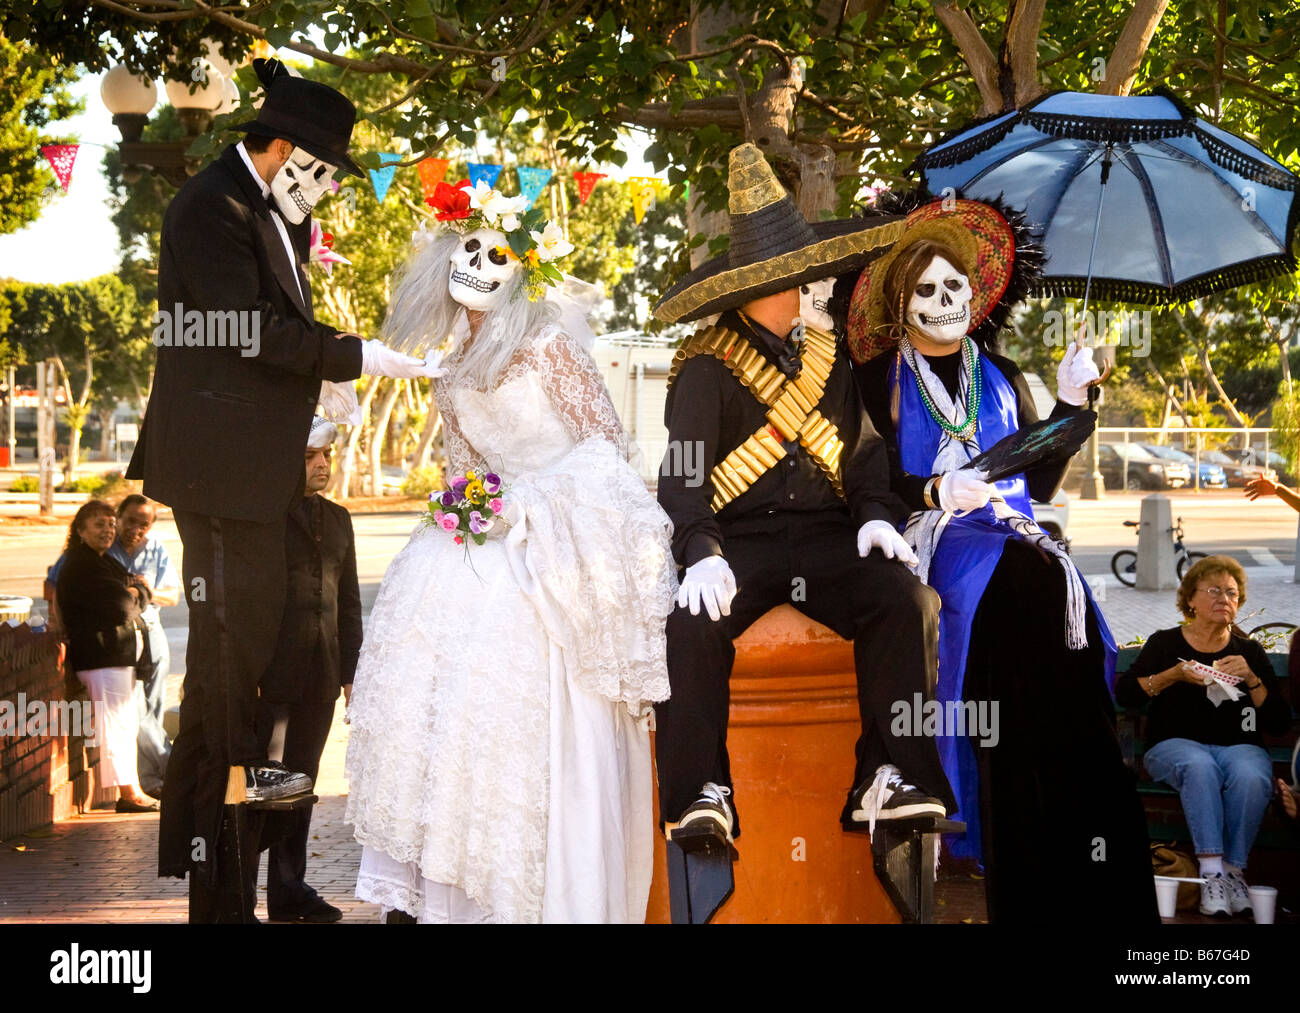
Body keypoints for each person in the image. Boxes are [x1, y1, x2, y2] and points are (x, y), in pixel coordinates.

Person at [123, 58, 442, 895]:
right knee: (228, 690)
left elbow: (284, 332)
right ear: (290, 151)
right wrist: (359, 357)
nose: (332, 189)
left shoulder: (276, 215)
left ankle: (225, 882)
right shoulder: (211, 206)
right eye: (329, 170)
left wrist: (336, 369)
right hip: (220, 482)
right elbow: (248, 333)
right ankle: (216, 895)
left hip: (253, 480)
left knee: (241, 684)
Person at [344, 179, 676, 922]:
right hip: (489, 541)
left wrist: (530, 505)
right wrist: (464, 504)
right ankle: (461, 877)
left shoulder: (550, 344)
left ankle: (555, 888)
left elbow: (604, 444)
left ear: (518, 266)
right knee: (451, 700)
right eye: (470, 254)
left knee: (540, 703)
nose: (481, 269)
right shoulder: (450, 365)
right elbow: (461, 469)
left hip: (561, 538)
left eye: (498, 256)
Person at [844, 196, 1157, 923]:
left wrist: (1072, 408)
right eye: (926, 288)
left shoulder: (1006, 373)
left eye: (955, 285)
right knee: (1019, 624)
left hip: (1020, 549)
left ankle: (1098, 867)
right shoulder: (875, 382)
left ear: (975, 293)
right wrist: (931, 486)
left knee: (1057, 617)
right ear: (901, 300)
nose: (943, 299)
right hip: (935, 546)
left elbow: (1036, 479)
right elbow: (862, 479)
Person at [651, 143, 956, 848]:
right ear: (763, 285)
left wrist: (879, 517)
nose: (809, 290)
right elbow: (684, 476)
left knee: (907, 600)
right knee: (689, 627)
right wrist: (699, 550)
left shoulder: (827, 357)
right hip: (741, 545)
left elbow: (865, 455)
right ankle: (702, 791)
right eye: (797, 280)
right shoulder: (703, 368)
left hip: (827, 537)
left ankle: (886, 776)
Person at [1115, 555, 1290, 918]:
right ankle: (1211, 872)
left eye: (1231, 592)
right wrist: (1173, 675)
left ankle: (1234, 872)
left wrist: (1253, 679)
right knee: (1200, 765)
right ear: (1190, 600)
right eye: (1213, 590)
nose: (1224, 598)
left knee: (1251, 774)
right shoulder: (1165, 643)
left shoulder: (1249, 652)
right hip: (1172, 746)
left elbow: (1277, 724)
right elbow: (1127, 695)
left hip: (1240, 748)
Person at [256, 417, 361, 924]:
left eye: (325, 456)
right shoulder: (262, 517)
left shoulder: (340, 519)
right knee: (264, 787)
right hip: (269, 678)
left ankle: (288, 891)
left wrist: (351, 674)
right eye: (309, 457)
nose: (321, 465)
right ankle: (239, 890)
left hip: (320, 676)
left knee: (300, 785)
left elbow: (350, 602)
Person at [46, 494, 179, 797]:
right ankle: (135, 791)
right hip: (102, 655)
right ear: (81, 529)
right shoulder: (82, 563)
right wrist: (142, 589)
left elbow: (145, 593)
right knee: (121, 724)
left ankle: (139, 786)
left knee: (133, 720)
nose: (108, 530)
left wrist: (137, 590)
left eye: (109, 524)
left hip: (126, 652)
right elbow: (124, 607)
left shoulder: (102, 560)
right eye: (99, 525)